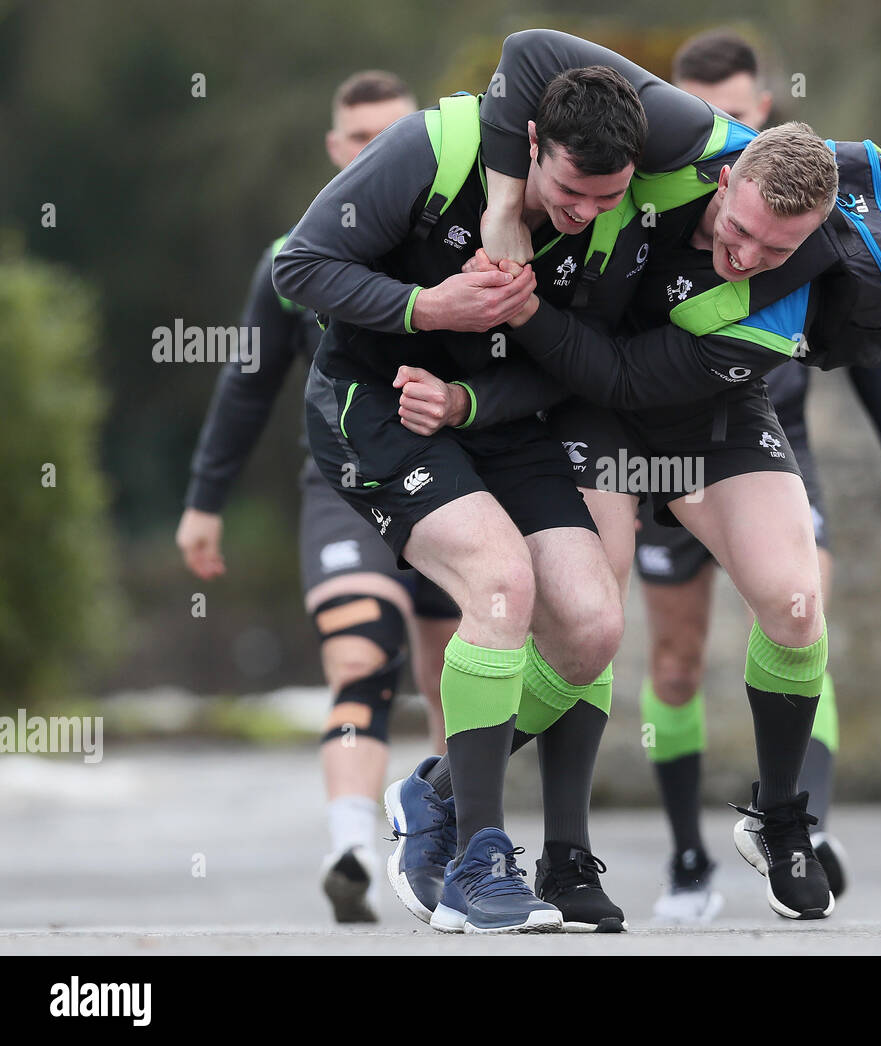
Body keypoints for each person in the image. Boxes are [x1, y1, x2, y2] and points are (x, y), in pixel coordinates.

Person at [410, 28, 881, 920]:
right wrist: (504, 206)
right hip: (587, 413)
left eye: (776, 252)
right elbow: (529, 51)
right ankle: (565, 857)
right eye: (739, 234)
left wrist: (530, 305)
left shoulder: (790, 281)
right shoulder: (689, 135)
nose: (745, 258)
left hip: (700, 411)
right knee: (592, 618)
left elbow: (630, 374)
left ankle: (779, 819)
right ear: (727, 178)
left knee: (798, 601)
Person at [274, 67, 652, 933]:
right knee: (500, 580)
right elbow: (302, 266)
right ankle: (476, 864)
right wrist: (425, 307)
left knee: (593, 627)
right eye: (570, 191)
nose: (586, 212)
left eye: (609, 196)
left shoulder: (613, 223)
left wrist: (470, 402)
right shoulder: (428, 151)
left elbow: (572, 366)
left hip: (491, 420)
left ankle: (435, 792)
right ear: (530, 149)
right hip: (374, 405)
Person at [627, 29, 881, 923]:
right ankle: (686, 859)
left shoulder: (803, 198)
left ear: (767, 110)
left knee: (800, 614)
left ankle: (798, 821)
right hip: (662, 429)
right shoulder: (667, 184)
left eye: (741, 109)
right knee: (675, 663)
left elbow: (866, 337)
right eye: (708, 108)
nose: (726, 121)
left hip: (769, 432)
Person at [176, 71, 447, 924]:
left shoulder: (461, 248)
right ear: (335, 149)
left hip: (452, 487)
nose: (374, 153)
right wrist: (203, 500)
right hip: (342, 486)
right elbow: (249, 385)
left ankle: (450, 841)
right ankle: (351, 850)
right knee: (362, 655)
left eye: (392, 137)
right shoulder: (294, 258)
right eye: (358, 138)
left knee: (457, 682)